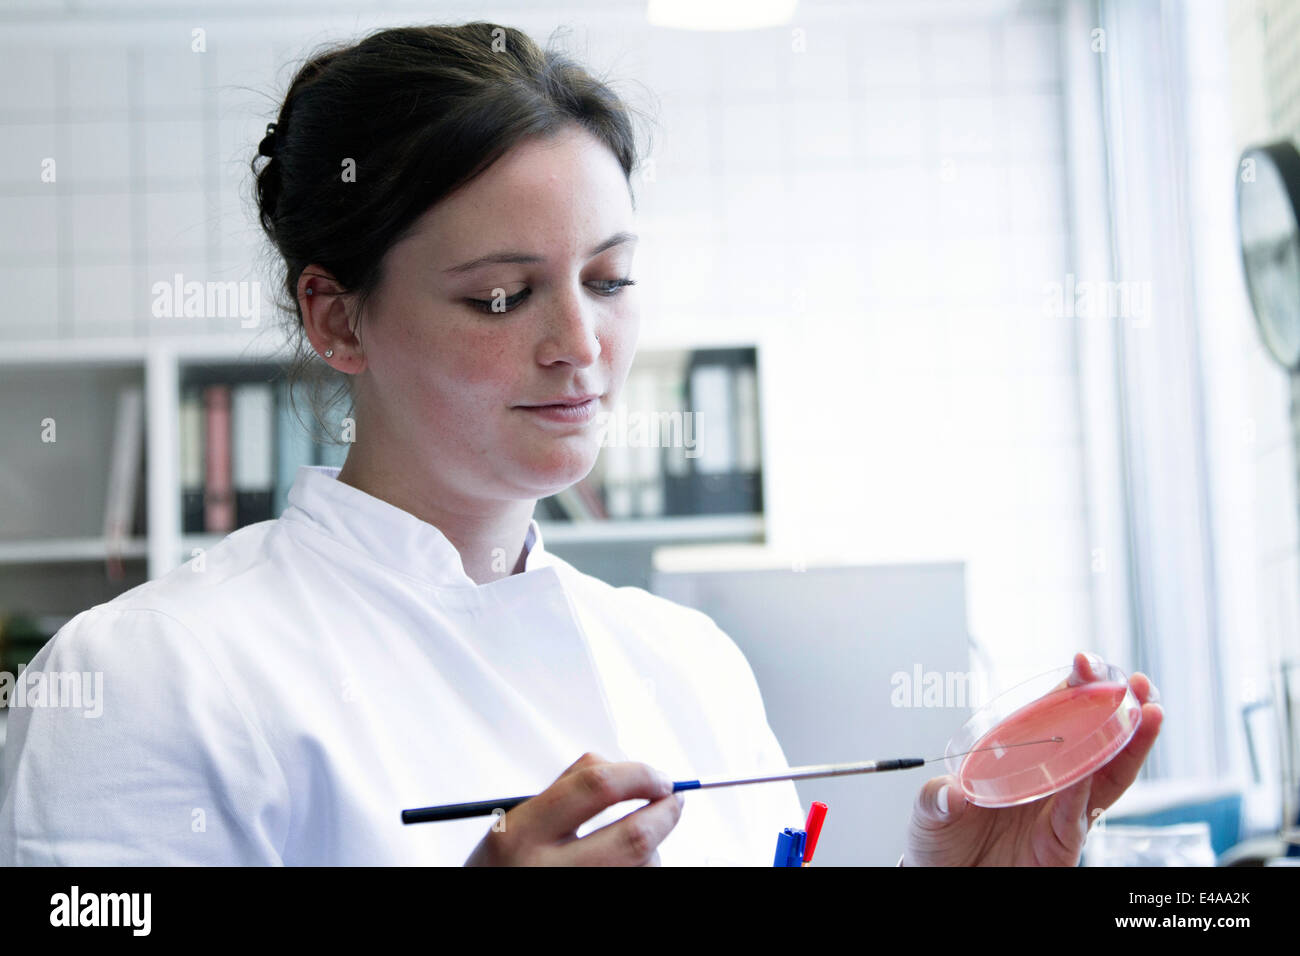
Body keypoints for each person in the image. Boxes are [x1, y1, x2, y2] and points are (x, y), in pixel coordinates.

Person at [0, 22, 1161, 867]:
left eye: (609, 279)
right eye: (503, 296)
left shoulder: (685, 662)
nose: (580, 345)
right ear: (336, 315)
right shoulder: (149, 678)